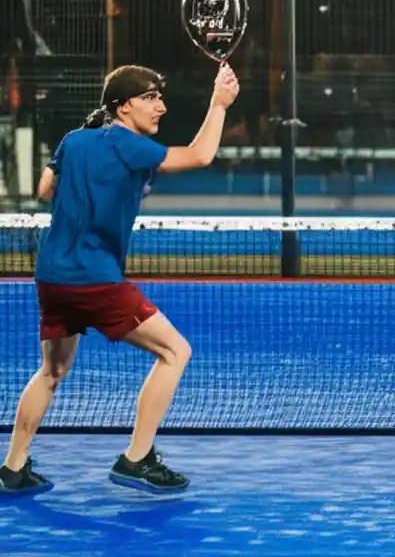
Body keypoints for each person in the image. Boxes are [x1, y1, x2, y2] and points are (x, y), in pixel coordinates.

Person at [0, 63, 240, 495]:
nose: (161, 107)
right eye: (151, 98)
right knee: (175, 352)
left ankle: (13, 468)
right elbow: (201, 155)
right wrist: (218, 103)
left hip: (53, 276)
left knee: (52, 371)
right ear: (125, 105)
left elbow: (45, 189)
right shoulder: (132, 146)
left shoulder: (75, 141)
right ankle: (136, 458)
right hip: (95, 277)